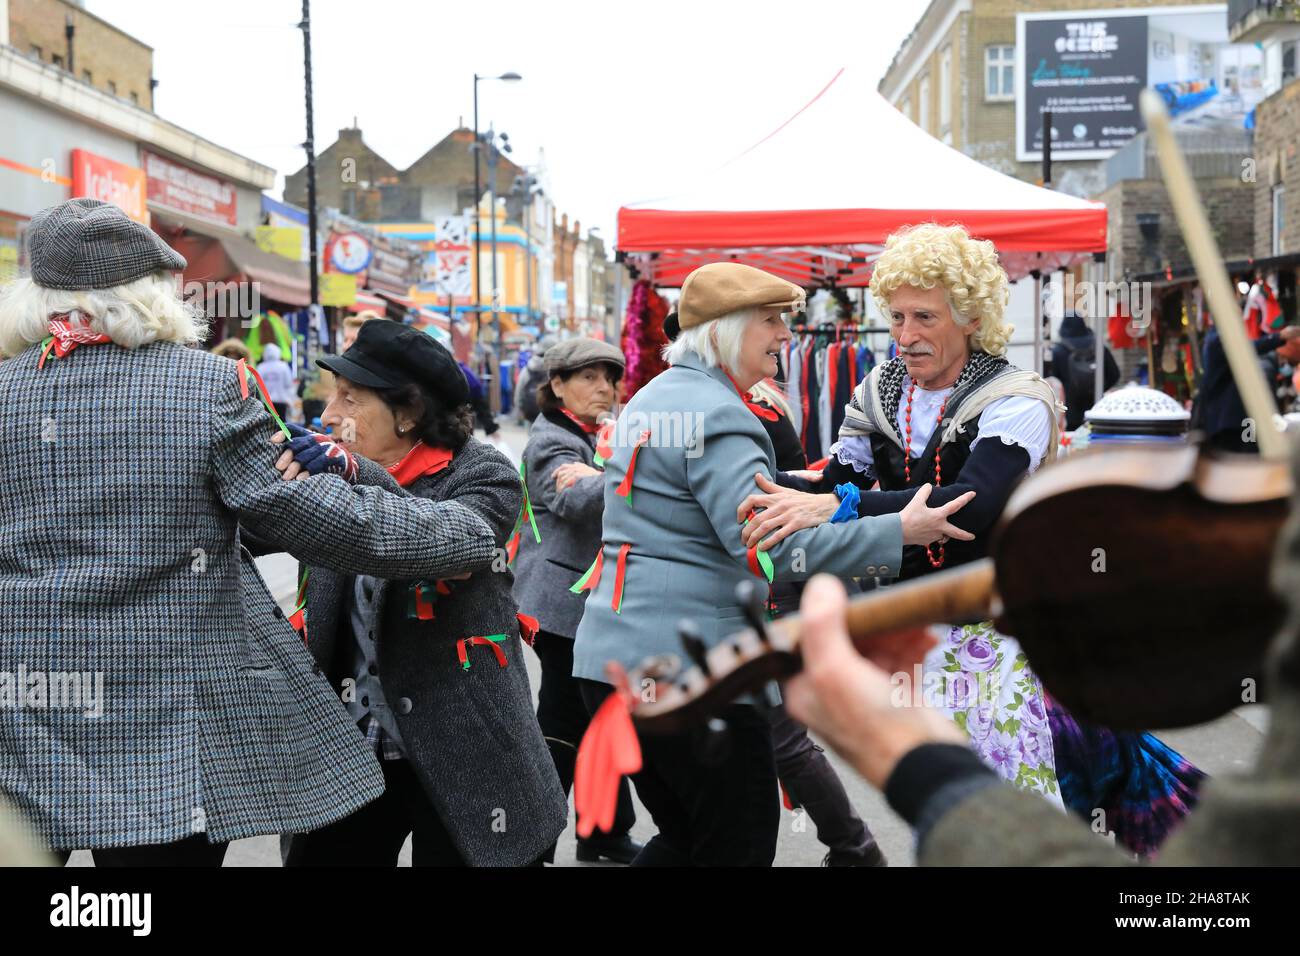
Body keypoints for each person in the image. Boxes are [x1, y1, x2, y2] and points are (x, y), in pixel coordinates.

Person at [0, 198, 500, 866]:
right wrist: (461, 533)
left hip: (24, 706)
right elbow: (327, 522)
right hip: (171, 729)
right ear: (154, 294)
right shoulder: (207, 387)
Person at [738, 223, 1203, 854]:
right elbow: (839, 476)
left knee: (1011, 800)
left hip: (997, 634)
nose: (905, 336)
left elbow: (971, 506)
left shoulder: (1018, 399)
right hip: (909, 631)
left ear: (971, 315)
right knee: (945, 807)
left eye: (924, 316)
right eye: (897, 316)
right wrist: (740, 476)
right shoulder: (879, 391)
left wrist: (832, 506)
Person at [571, 261, 973, 867]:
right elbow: (770, 550)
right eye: (770, 321)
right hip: (695, 678)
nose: (786, 336)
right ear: (726, 331)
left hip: (610, 664)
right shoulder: (723, 413)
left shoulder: (653, 397)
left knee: (684, 841)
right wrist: (899, 530)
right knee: (735, 848)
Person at [277, 319, 566, 867]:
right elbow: (253, 525)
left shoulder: (482, 472)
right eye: (331, 396)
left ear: (408, 413)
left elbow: (450, 539)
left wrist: (355, 472)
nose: (328, 416)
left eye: (350, 399)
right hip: (353, 750)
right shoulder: (331, 474)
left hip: (467, 751)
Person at [663, 310, 887, 866]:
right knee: (768, 742)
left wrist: (894, 530)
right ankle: (851, 847)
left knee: (781, 735)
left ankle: (855, 847)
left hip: (774, 582)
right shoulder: (714, 403)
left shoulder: (741, 410)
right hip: (760, 583)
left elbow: (764, 517)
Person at [512, 337, 644, 864]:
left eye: (609, 378)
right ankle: (535, 842)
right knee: (564, 725)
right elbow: (571, 500)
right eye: (588, 377)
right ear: (558, 385)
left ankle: (602, 832)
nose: (603, 388)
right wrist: (628, 466)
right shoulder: (551, 440)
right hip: (560, 606)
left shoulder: (593, 436)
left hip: (585, 605)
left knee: (598, 717)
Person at [1198, 321, 1300, 452]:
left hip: (1231, 424)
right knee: (1244, 461)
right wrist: (1279, 337)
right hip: (1232, 425)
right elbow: (1258, 410)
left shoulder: (1263, 364)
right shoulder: (1218, 341)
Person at [1047, 311, 1120, 431]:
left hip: (1070, 414)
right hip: (1096, 409)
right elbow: (1115, 374)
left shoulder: (1058, 351)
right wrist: (1099, 387)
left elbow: (1053, 382)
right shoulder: (1099, 348)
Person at [257, 341, 296, 421]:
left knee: (266, 425)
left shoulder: (261, 367)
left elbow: (257, 385)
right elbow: (289, 384)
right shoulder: (284, 366)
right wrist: (290, 399)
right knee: (282, 426)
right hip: (281, 401)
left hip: (265, 403)